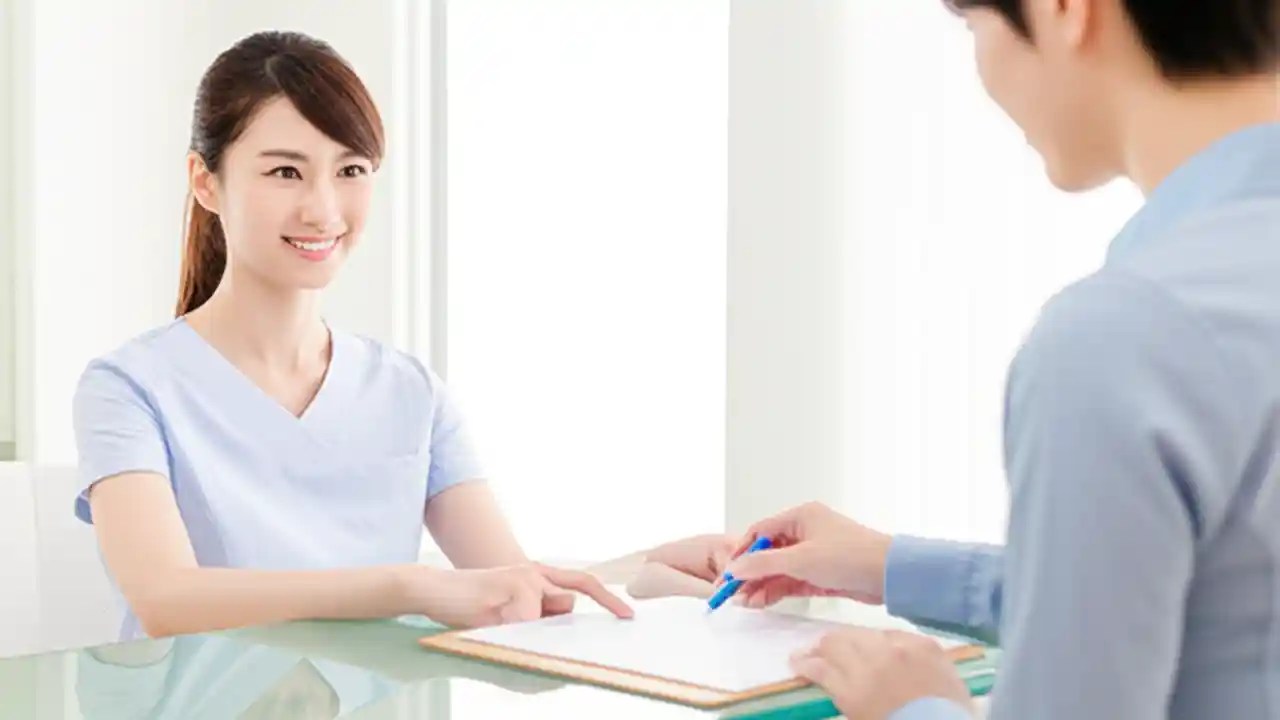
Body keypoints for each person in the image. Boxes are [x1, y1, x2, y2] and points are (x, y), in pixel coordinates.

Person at [710, 0, 1278, 718]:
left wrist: (915, 709)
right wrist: (890, 565)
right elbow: (1223, 606)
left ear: (1066, 10)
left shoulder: (1124, 339)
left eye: (970, 22)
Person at [71, 31, 635, 641]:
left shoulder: (411, 392)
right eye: (286, 171)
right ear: (206, 183)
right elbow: (166, 598)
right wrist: (407, 585)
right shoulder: (128, 388)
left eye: (351, 170)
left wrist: (648, 571)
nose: (323, 209)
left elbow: (509, 585)